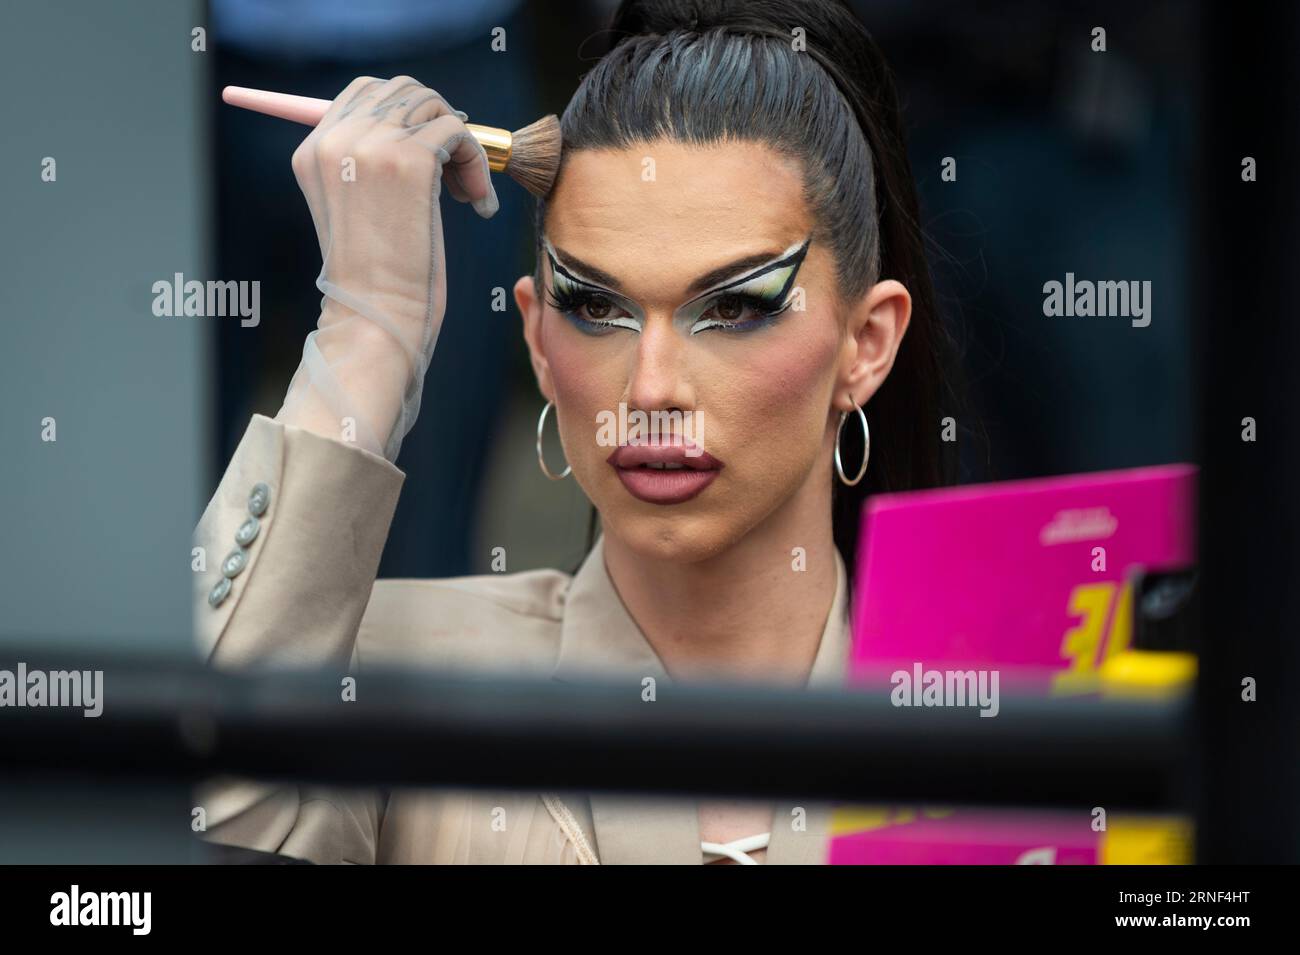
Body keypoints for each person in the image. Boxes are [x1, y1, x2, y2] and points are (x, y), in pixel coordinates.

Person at [192, 0, 968, 865]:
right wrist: (370, 328)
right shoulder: (382, 673)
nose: (652, 388)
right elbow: (185, 814)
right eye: (596, 306)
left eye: (736, 307)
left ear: (867, 344)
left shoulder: (1008, 706)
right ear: (537, 339)